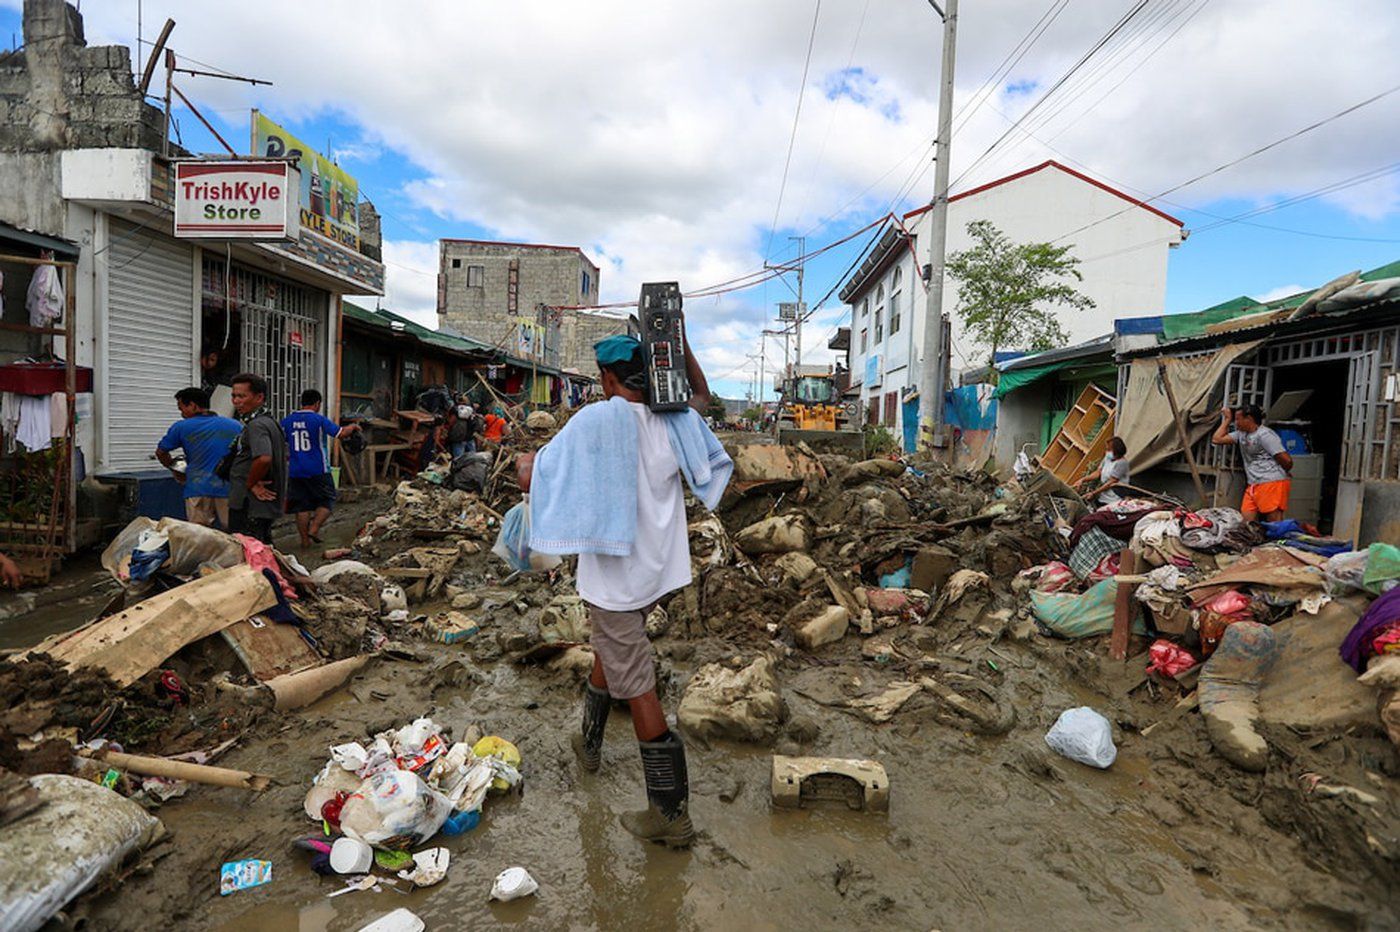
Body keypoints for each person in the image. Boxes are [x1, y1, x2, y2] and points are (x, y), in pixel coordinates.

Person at [517, 332, 727, 850]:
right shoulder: (678, 420)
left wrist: (531, 466)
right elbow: (702, 398)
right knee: (611, 649)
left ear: (609, 378)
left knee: (636, 681)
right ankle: (588, 741)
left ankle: (670, 813)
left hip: (617, 579)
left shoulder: (595, 420)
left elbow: (532, 476)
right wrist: (682, 345)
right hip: (657, 571)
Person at [281, 389, 360, 548]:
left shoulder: (287, 421)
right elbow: (341, 433)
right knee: (328, 499)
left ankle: (304, 542)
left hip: (296, 470)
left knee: (301, 506)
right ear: (317, 404)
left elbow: (282, 442)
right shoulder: (318, 420)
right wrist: (353, 427)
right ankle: (314, 528)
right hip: (318, 469)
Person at [154, 387, 242, 528]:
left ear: (193, 406)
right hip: (228, 488)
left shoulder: (181, 427)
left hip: (197, 487)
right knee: (236, 534)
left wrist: (174, 469)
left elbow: (160, 452)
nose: (181, 413)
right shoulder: (235, 425)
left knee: (199, 536)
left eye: (182, 408)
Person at [227, 373, 287, 545]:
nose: (236, 401)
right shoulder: (269, 422)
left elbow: (264, 459)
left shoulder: (257, 425)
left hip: (251, 506)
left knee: (248, 555)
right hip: (260, 507)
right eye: (234, 396)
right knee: (263, 553)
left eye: (241, 396)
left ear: (259, 397)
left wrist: (251, 483)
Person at [1212, 403, 1293, 521]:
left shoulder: (1265, 435)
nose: (1236, 423)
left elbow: (1287, 460)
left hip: (1271, 482)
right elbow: (1217, 439)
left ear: (1249, 419)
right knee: (1246, 521)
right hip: (1253, 483)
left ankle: (1279, 539)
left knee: (1274, 520)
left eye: (1238, 419)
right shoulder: (1241, 434)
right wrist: (1227, 420)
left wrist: (1283, 473)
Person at [1076, 436, 1130, 506]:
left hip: (1114, 498)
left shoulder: (1122, 463)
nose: (1107, 452)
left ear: (1116, 451)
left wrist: (1094, 493)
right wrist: (1083, 480)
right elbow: (1098, 473)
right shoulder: (1107, 458)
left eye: (1109, 450)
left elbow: (1111, 483)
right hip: (1103, 495)